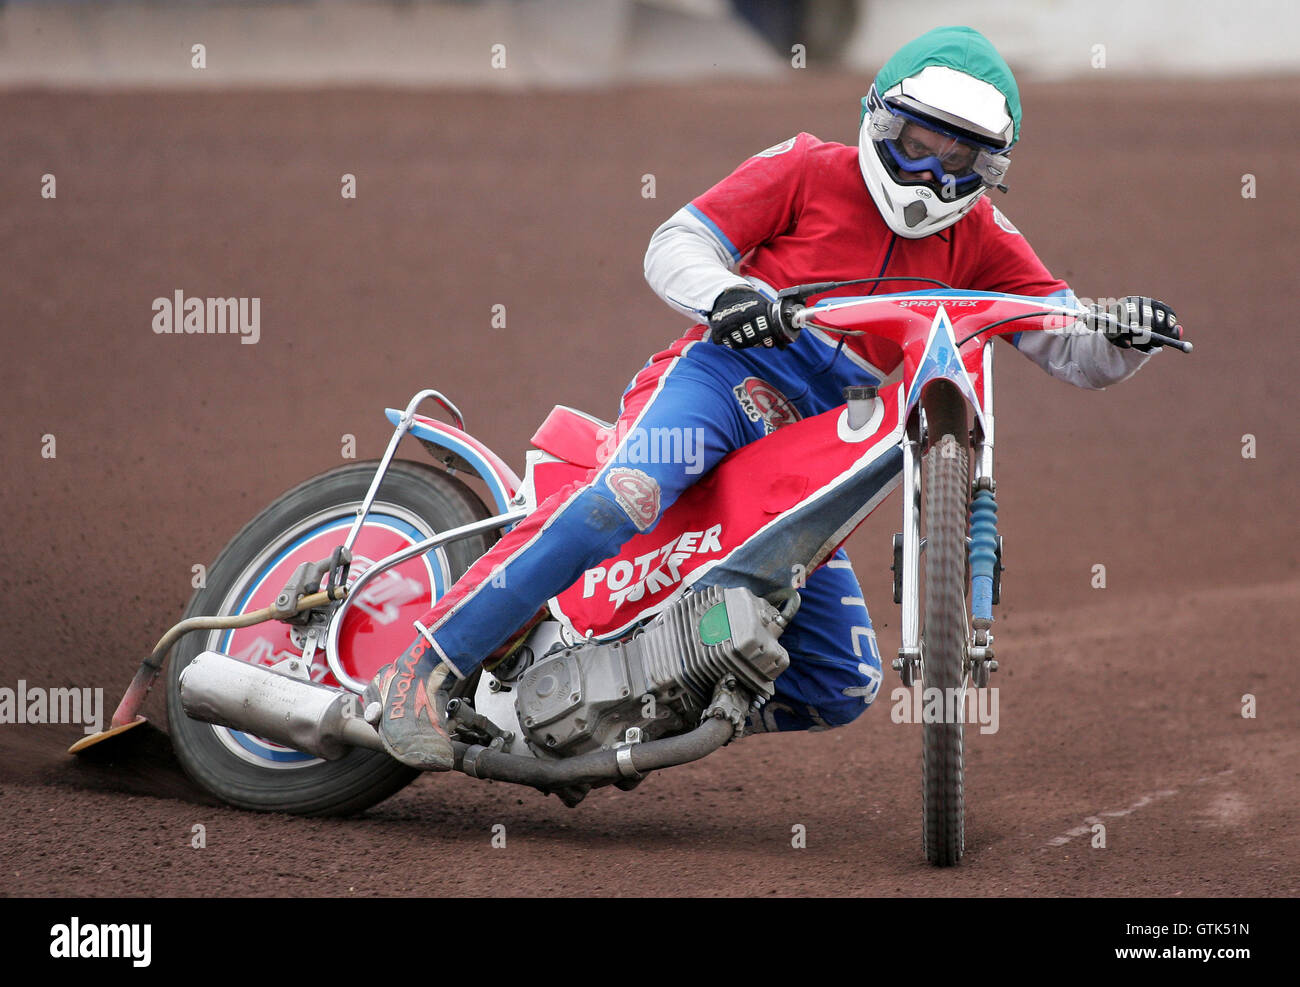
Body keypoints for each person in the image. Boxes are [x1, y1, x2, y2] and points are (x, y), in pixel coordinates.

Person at [363, 25, 1182, 769]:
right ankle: (421, 670)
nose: (931, 172)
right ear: (875, 119)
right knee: (624, 496)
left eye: (959, 158)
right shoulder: (807, 167)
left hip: (823, 445)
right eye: (915, 142)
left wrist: (1125, 334)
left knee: (842, 679)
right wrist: (727, 295)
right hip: (725, 380)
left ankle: (635, 704)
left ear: (991, 170)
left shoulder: (986, 243)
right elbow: (677, 242)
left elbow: (1068, 343)